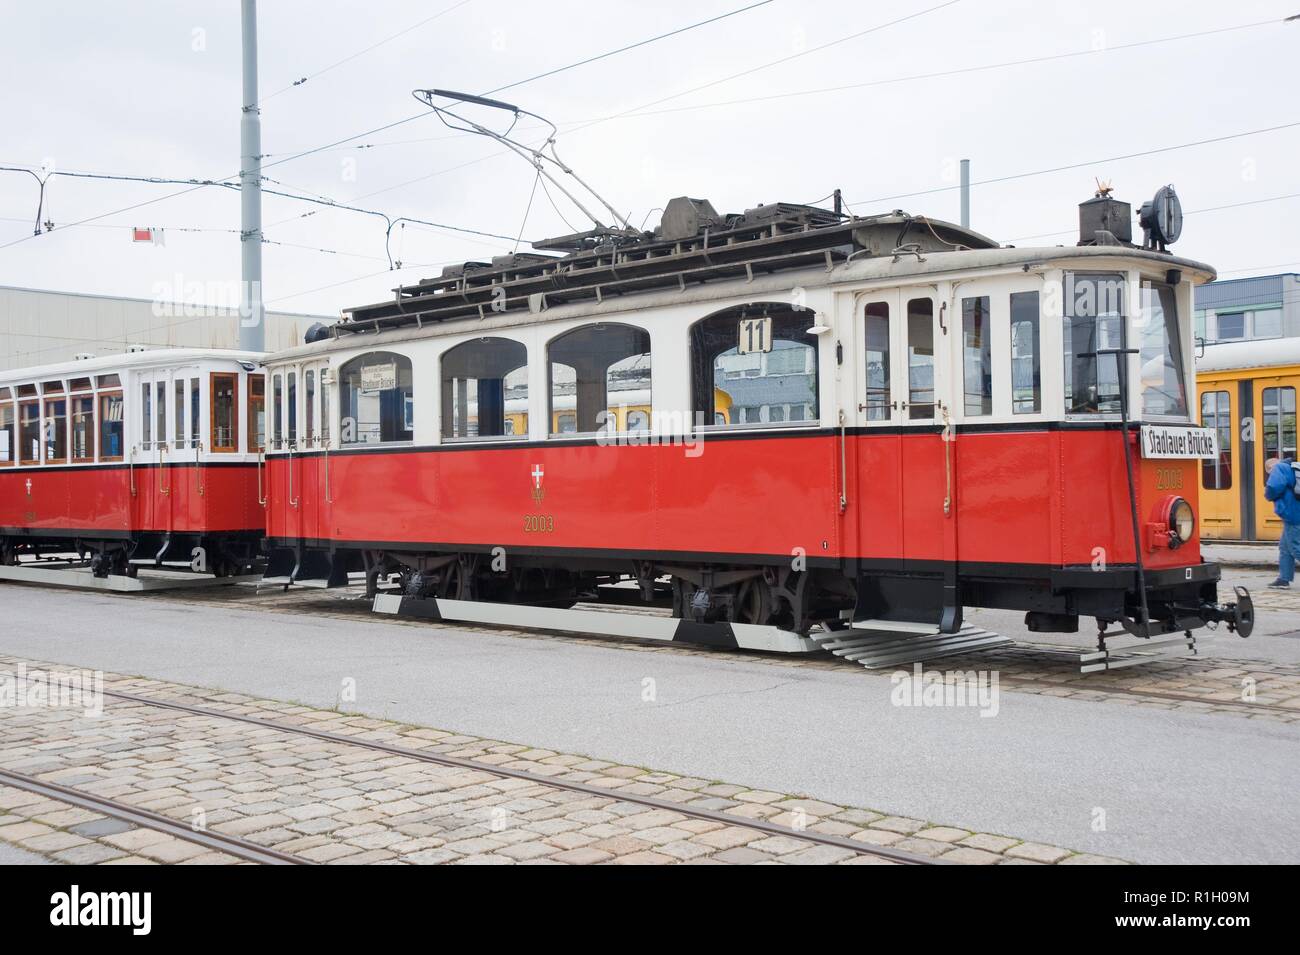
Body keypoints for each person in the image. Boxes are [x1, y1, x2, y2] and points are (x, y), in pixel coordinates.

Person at [1263, 456, 1300, 588]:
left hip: (1293, 514)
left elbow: (1273, 487)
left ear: (1270, 468)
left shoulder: (1278, 468)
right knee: (1285, 547)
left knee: (1295, 547)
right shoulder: (1292, 468)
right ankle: (1283, 579)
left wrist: (1267, 495)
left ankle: (1284, 579)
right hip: (1294, 512)